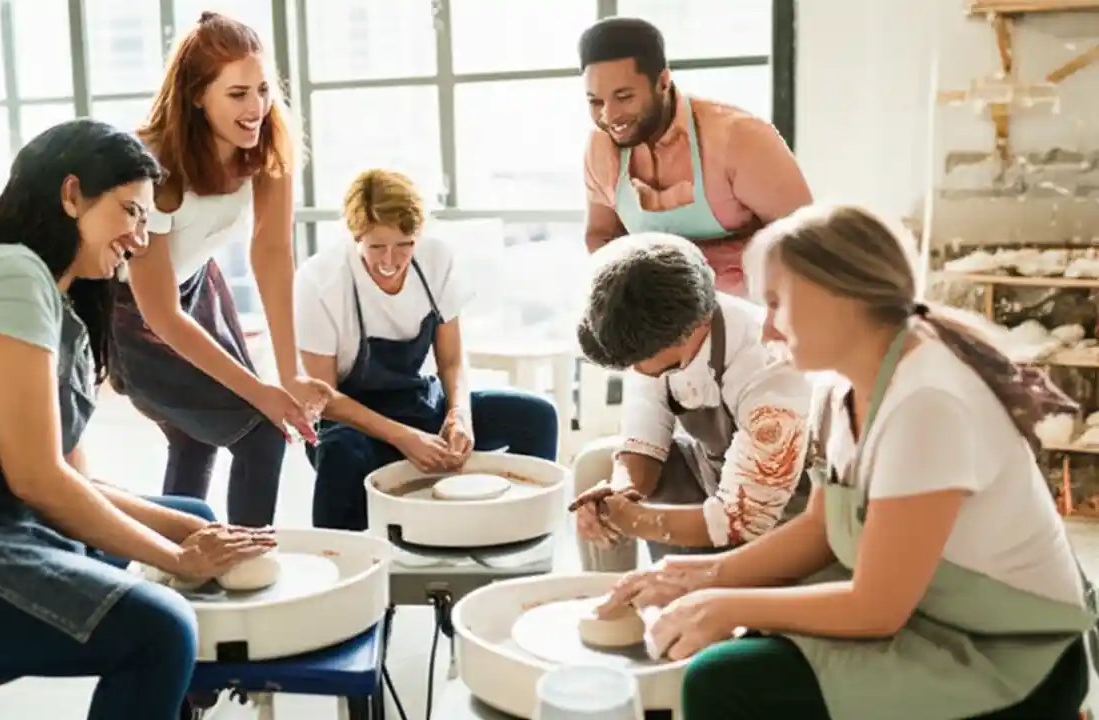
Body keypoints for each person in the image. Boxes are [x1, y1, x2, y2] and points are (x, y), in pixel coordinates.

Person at [0, 119, 275, 720]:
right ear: (72, 196)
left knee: (193, 518)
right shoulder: (11, 274)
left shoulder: (58, 304)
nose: (141, 239)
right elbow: (37, 480)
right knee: (162, 629)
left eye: (147, 219)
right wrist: (178, 560)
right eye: (130, 212)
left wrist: (188, 538)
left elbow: (76, 482)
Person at [598, 205, 1096, 720]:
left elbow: (877, 608)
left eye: (776, 304)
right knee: (732, 637)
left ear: (839, 300)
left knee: (722, 680)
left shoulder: (928, 404)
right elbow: (821, 523)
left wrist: (724, 603)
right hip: (933, 607)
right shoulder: (841, 387)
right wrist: (702, 574)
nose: (767, 330)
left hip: (1012, 652)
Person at [110, 12, 331, 527]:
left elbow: (272, 255)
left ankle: (181, 561)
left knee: (196, 437)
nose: (256, 108)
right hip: (130, 313)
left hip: (197, 285)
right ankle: (244, 566)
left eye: (262, 89)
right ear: (195, 95)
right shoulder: (152, 164)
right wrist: (264, 394)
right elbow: (159, 313)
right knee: (261, 432)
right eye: (237, 94)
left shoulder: (270, 140)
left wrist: (289, 373)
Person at [295, 169, 560, 530]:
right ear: (355, 235)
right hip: (352, 423)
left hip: (419, 405)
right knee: (340, 452)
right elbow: (324, 398)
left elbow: (451, 361)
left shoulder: (436, 260)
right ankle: (346, 565)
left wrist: (459, 414)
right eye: (376, 247)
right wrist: (403, 437)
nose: (390, 260)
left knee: (537, 416)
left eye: (404, 244)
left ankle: (519, 531)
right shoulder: (320, 281)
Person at [569, 233, 811, 572]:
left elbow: (747, 518)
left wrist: (638, 520)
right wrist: (620, 492)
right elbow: (643, 430)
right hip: (708, 477)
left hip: (781, 516)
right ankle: (606, 604)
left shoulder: (767, 367)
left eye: (642, 361)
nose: (637, 370)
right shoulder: (653, 340)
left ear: (696, 325)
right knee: (594, 468)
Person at [579, 17, 812, 296]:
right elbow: (601, 236)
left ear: (663, 81)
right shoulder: (601, 146)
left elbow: (807, 244)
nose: (609, 115)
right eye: (595, 101)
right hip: (660, 316)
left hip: (751, 312)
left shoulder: (740, 139)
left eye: (625, 96)